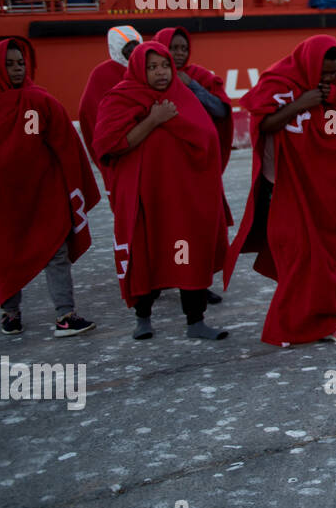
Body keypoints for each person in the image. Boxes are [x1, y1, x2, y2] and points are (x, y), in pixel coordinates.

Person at [224, 36, 336, 346]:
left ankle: (327, 319)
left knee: (333, 255)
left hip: (333, 192)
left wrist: (333, 94)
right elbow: (265, 122)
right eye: (323, 72)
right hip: (288, 189)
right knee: (299, 257)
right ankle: (292, 325)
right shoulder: (278, 80)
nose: (327, 78)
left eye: (333, 73)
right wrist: (301, 104)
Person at [93, 43, 228, 340]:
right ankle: (143, 319)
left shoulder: (183, 97)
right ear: (139, 69)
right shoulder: (120, 98)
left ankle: (196, 322)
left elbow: (206, 140)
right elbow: (110, 144)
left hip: (182, 199)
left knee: (187, 257)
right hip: (144, 198)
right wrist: (154, 120)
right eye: (152, 67)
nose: (161, 72)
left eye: (164, 66)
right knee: (146, 257)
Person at [0, 40, 100, 337]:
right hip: (2, 198)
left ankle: (66, 314)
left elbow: (64, 142)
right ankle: (10, 314)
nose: (17, 69)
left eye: (20, 63)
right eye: (9, 64)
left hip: (44, 195)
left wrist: (71, 184)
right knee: (5, 256)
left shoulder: (40, 101)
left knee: (56, 254)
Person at [155, 25, 233, 305]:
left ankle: (196, 282)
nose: (178, 53)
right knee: (164, 226)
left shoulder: (199, 76)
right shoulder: (146, 81)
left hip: (198, 167)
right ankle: (163, 278)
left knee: (201, 227)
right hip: (163, 170)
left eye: (183, 48)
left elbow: (221, 110)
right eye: (173, 48)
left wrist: (193, 86)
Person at [78, 25, 142, 192]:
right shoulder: (102, 75)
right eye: (128, 48)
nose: (133, 51)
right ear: (116, 49)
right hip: (119, 157)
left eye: (137, 46)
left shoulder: (148, 70)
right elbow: (89, 115)